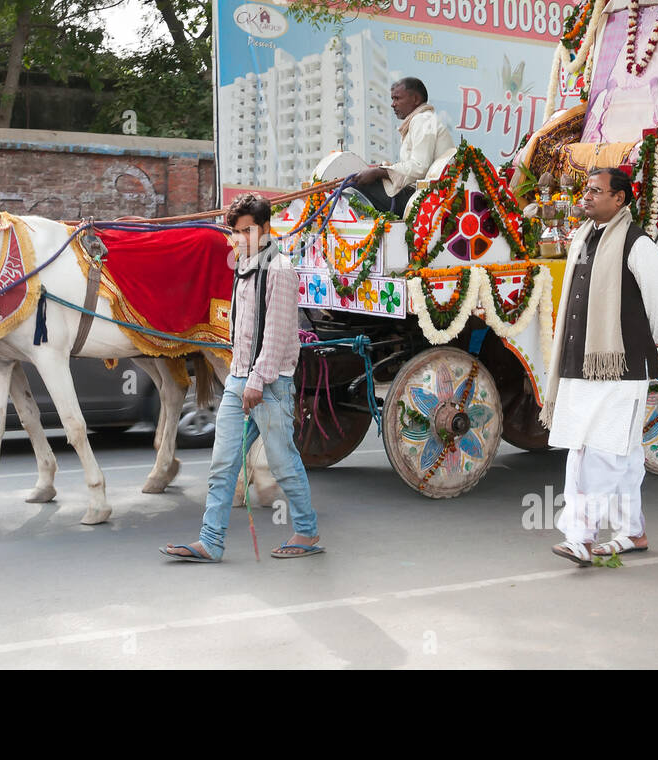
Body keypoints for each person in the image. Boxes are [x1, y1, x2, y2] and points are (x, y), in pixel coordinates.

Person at [160, 193, 323, 561]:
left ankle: (307, 531)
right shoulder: (243, 268)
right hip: (239, 380)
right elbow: (242, 329)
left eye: (248, 231)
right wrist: (238, 375)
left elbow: (278, 333)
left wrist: (256, 381)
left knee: (282, 461)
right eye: (235, 232)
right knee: (223, 462)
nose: (240, 239)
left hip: (271, 384)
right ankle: (211, 541)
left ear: (265, 229)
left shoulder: (279, 270)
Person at [540, 167, 658, 566]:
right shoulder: (583, 237)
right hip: (581, 366)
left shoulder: (638, 244)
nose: (587, 195)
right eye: (586, 189)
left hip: (622, 368)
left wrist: (635, 345)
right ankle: (632, 531)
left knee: (603, 453)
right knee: (608, 451)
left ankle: (580, 536)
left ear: (620, 200)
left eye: (597, 191)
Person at [353, 77, 456, 215]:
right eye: (392, 99)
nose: (392, 104)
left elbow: (419, 167)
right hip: (426, 196)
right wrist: (383, 170)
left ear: (415, 99)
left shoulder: (422, 120)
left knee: (360, 185)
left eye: (397, 98)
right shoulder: (420, 120)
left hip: (430, 200)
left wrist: (380, 172)